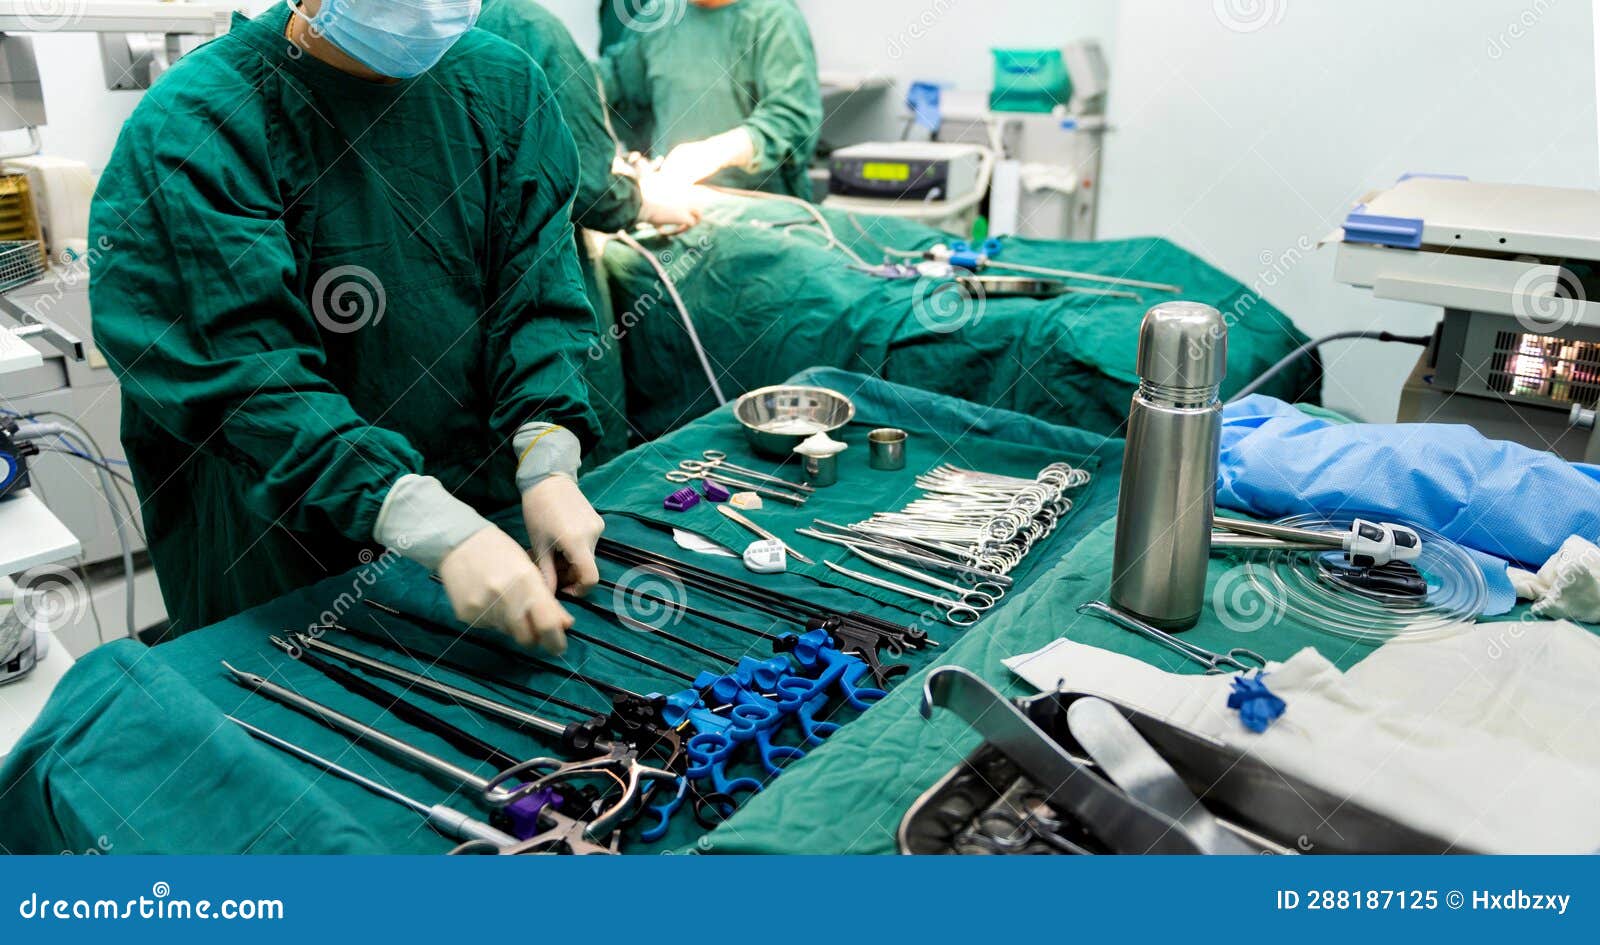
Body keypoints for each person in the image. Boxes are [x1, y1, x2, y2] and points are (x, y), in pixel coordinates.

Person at [90, 0, 606, 653]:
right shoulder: (195, 124)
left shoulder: (505, 85)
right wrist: (418, 516)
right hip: (286, 562)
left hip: (493, 526)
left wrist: (547, 452)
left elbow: (537, 297)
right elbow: (246, 381)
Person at [477, 0, 697, 464]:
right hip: (540, 284)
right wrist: (644, 201)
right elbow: (591, 187)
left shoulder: (400, 35)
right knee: (576, 476)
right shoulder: (529, 28)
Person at [602, 0, 822, 200]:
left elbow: (794, 120)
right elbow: (619, 82)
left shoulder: (774, 18)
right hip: (673, 200)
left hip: (759, 204)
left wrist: (720, 151)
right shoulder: (661, 14)